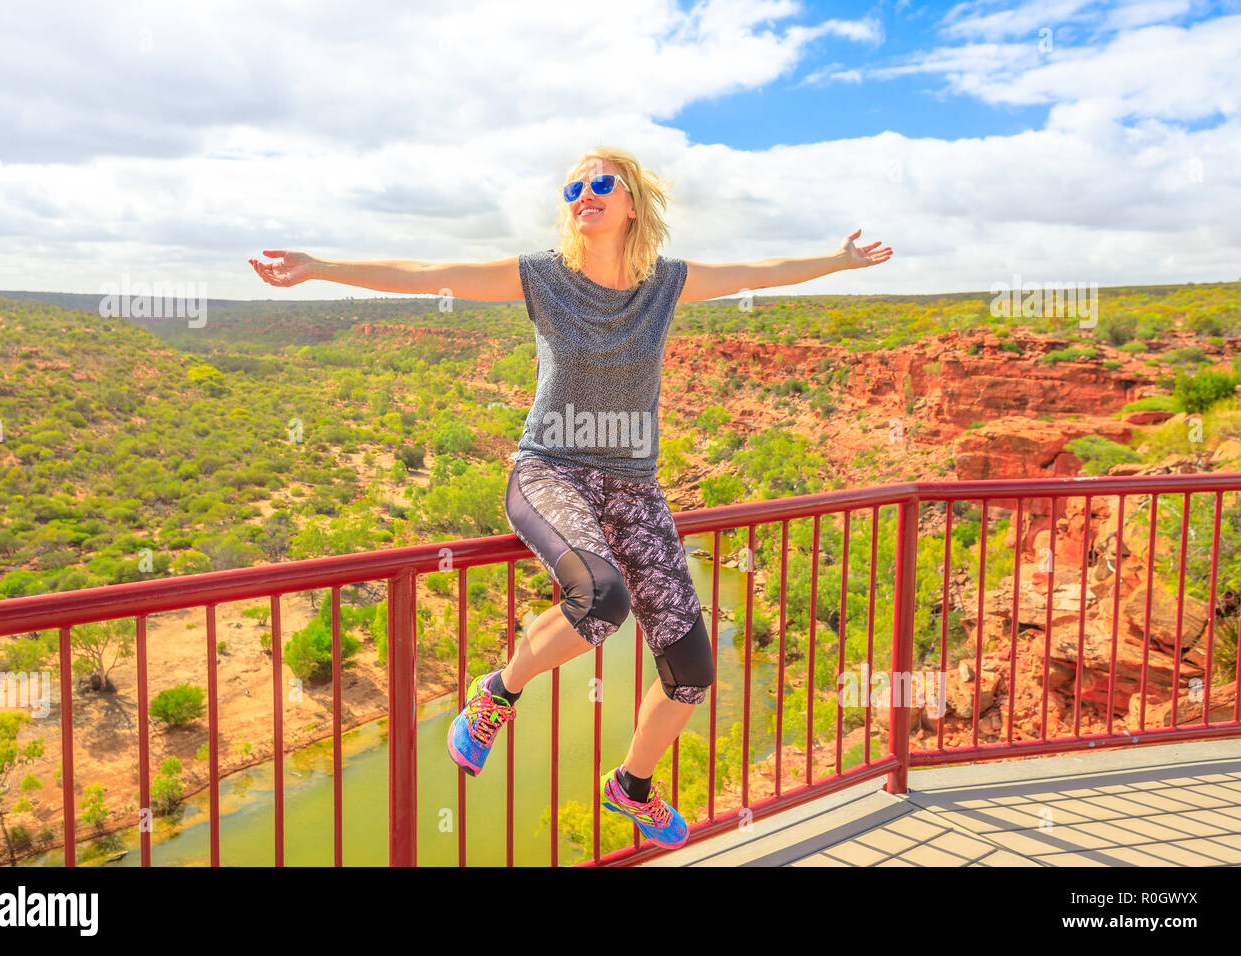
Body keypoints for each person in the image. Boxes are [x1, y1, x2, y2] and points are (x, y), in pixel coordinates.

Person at [250, 146, 891, 852]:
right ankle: (498, 692)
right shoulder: (543, 278)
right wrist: (318, 266)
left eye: (600, 183)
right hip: (550, 469)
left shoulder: (665, 285)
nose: (583, 193)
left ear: (632, 204)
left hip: (634, 486)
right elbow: (429, 273)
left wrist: (838, 259)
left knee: (692, 672)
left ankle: (632, 787)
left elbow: (756, 274)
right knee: (602, 600)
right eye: (573, 185)